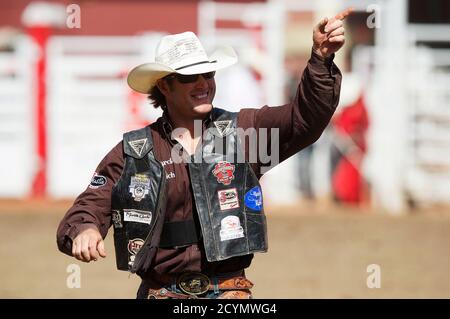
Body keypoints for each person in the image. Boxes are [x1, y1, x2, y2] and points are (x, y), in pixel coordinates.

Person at [56, 8, 352, 299]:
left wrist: (320, 59)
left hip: (228, 291)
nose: (203, 84)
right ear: (164, 86)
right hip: (161, 291)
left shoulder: (246, 131)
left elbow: (306, 119)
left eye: (207, 73)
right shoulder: (135, 150)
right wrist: (85, 229)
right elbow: (91, 203)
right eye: (189, 77)